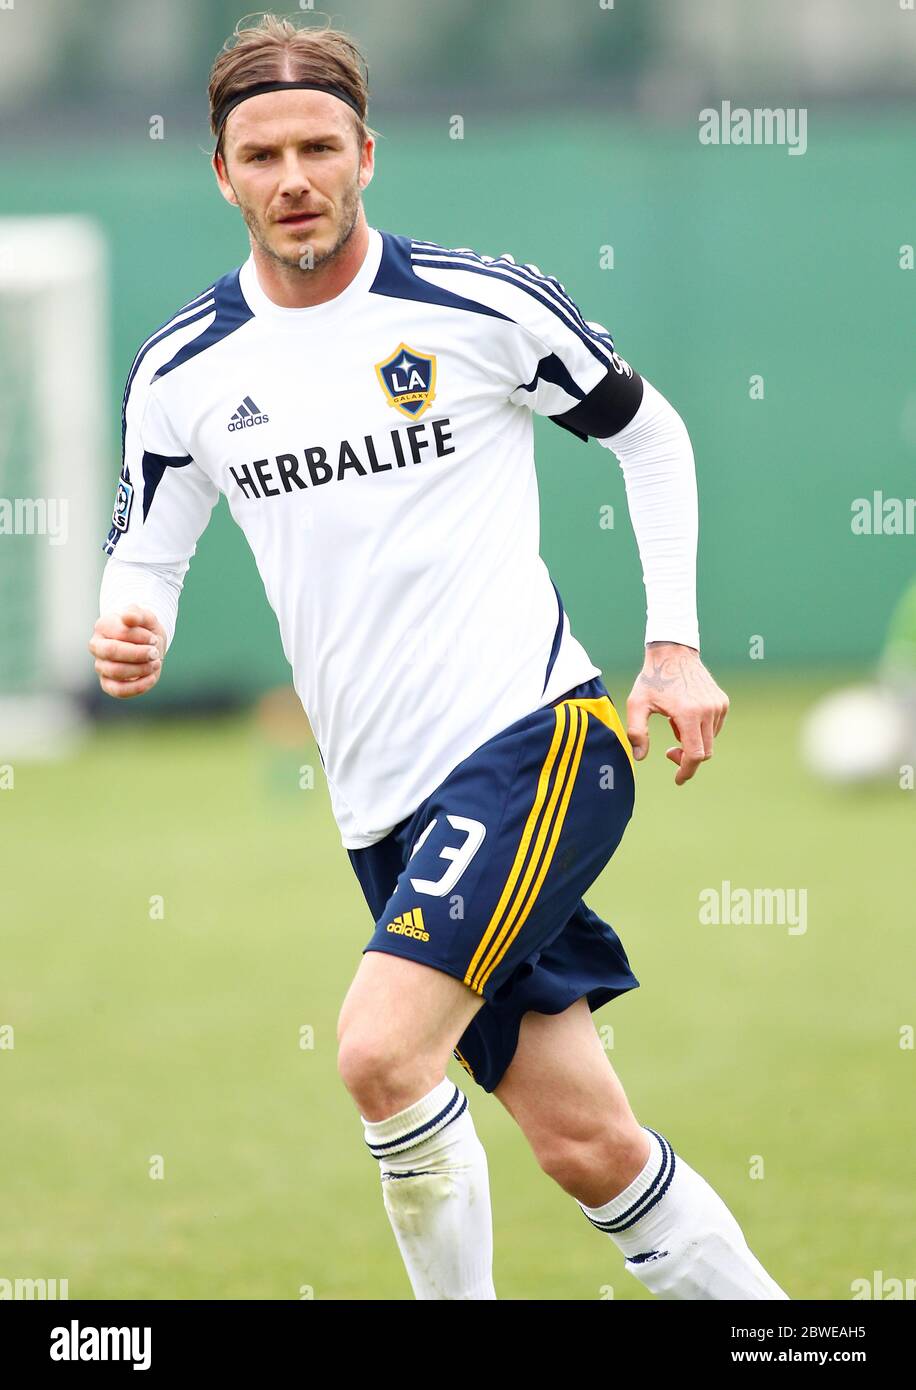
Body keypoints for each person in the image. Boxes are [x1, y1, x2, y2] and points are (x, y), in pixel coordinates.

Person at [89, 14, 787, 1301]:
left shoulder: (476, 302)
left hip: (535, 741)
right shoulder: (182, 371)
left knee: (377, 1054)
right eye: (261, 155)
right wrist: (132, 620)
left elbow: (652, 436)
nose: (291, 177)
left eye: (316, 145)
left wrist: (674, 646)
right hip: (383, 809)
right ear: (222, 174)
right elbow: (149, 549)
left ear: (366, 152)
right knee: (589, 1146)